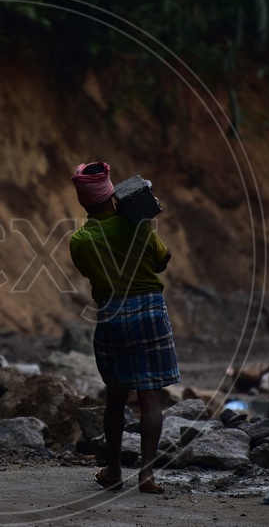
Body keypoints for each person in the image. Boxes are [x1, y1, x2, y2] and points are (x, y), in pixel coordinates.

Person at [69, 161, 180, 495]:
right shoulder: (138, 225)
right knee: (150, 398)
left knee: (116, 398)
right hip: (149, 310)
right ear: (111, 192)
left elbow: (92, 274)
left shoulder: (80, 240)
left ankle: (114, 471)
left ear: (83, 202)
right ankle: (146, 475)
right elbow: (162, 260)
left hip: (112, 314)